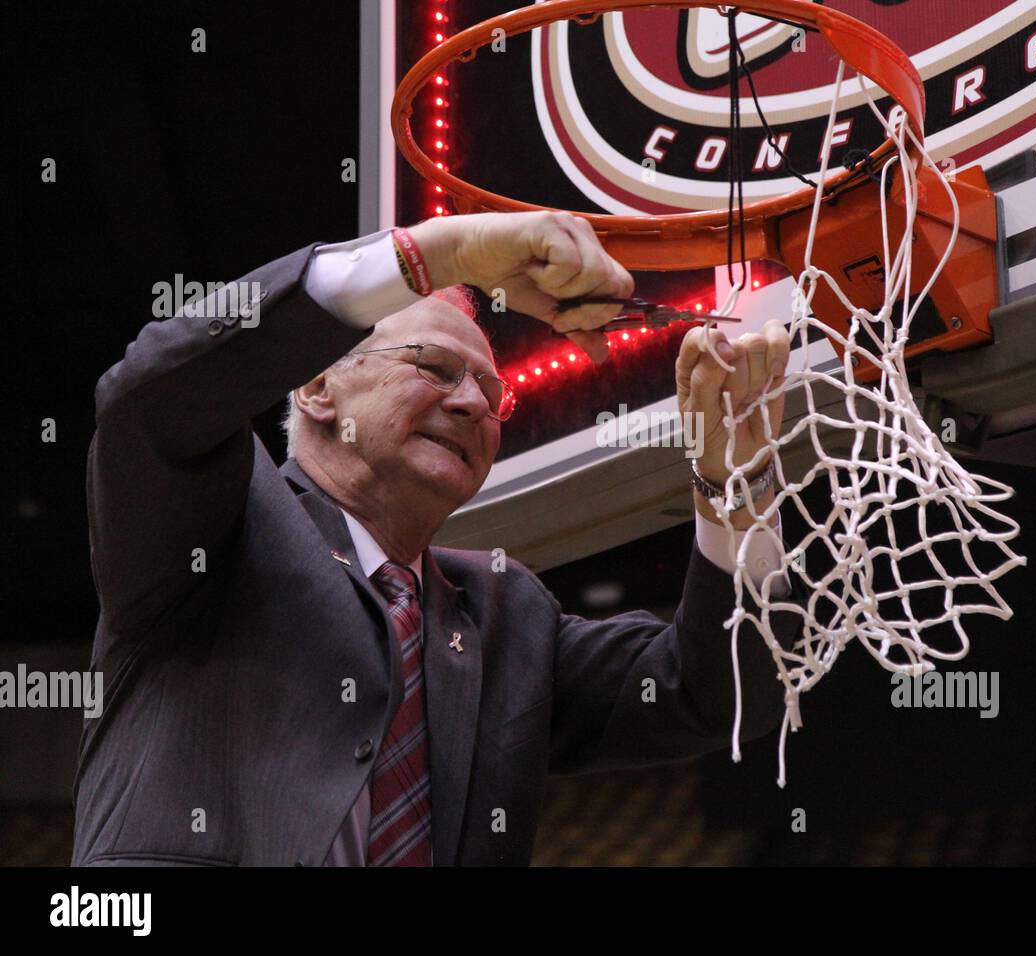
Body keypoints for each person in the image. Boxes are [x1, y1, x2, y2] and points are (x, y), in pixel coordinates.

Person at [72, 211, 797, 867]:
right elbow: (152, 398)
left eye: (491, 391)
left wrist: (736, 486)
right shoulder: (213, 518)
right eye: (434, 368)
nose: (471, 403)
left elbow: (719, 694)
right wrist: (438, 255)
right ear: (320, 388)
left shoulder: (506, 612)